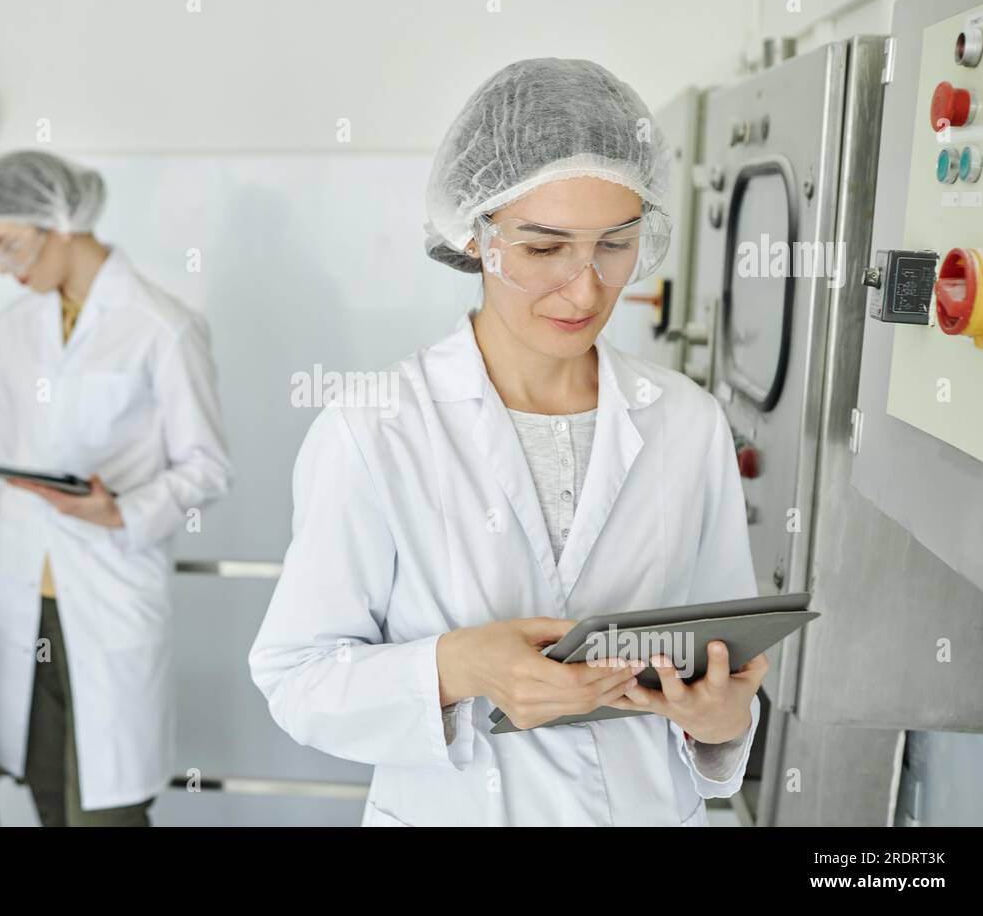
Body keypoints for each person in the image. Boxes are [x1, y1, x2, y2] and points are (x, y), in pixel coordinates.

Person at [248, 58, 765, 826]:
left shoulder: (686, 423)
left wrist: (723, 726)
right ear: (475, 235)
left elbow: (727, 659)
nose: (586, 288)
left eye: (615, 244)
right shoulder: (376, 426)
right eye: (543, 247)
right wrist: (459, 667)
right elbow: (297, 679)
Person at [0, 151, 233, 826]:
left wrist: (118, 510)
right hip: (24, 601)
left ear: (60, 223)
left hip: (108, 594)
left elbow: (207, 467)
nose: (5, 265)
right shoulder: (15, 329)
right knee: (46, 793)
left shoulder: (162, 326)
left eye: (9, 245)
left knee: (108, 812)